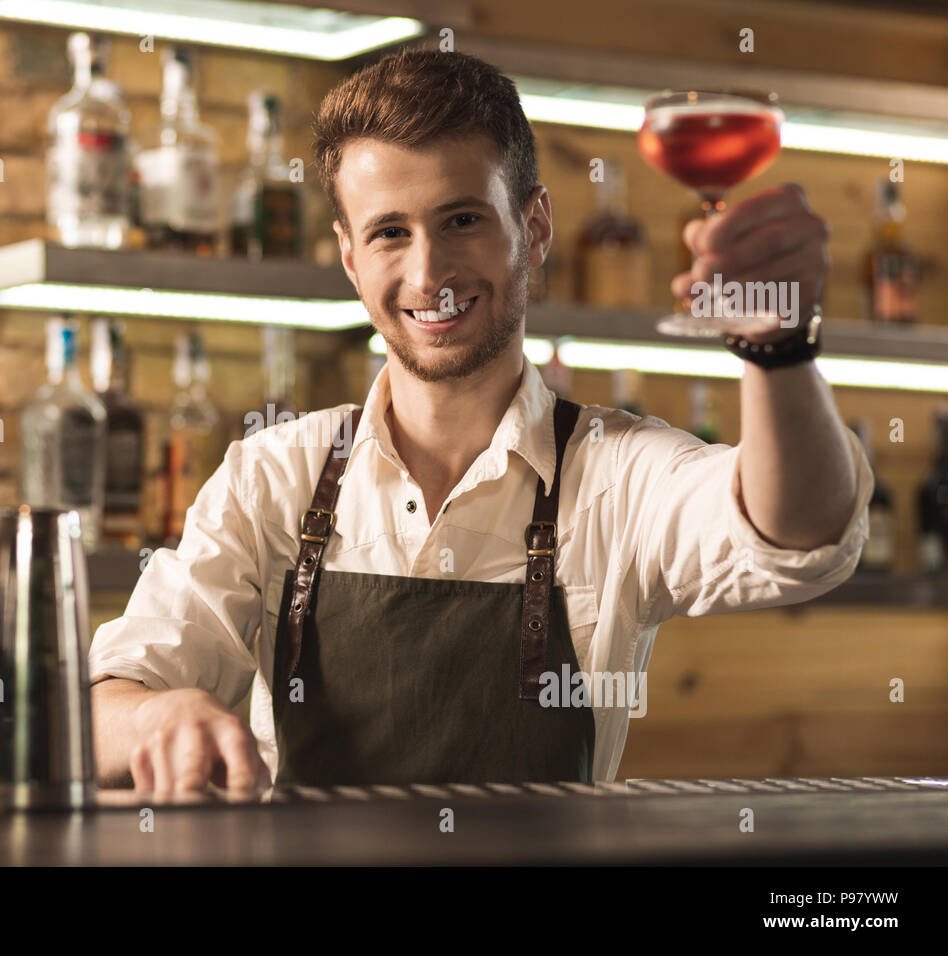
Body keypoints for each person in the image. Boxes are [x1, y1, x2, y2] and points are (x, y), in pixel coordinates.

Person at [88, 49, 871, 795]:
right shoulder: (271, 475)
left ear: (534, 228)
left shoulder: (617, 472)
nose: (428, 273)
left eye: (461, 219)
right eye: (390, 231)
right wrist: (158, 714)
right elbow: (105, 709)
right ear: (351, 257)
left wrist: (779, 351)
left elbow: (796, 538)